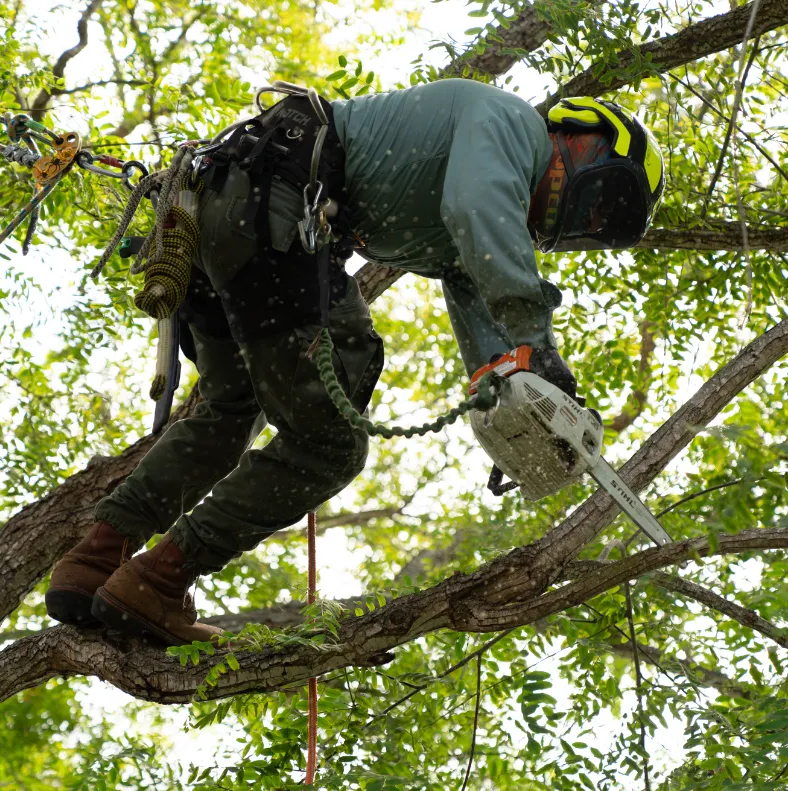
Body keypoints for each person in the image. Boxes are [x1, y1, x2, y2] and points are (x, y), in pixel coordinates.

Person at [45, 79, 664, 645]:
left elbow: (477, 302)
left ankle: (95, 557)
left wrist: (514, 402)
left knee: (233, 409)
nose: (590, 218)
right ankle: (156, 580)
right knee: (330, 447)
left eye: (602, 226)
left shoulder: (483, 192)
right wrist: (538, 338)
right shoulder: (512, 127)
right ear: (578, 133)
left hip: (232, 214)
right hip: (268, 211)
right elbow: (480, 213)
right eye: (602, 198)